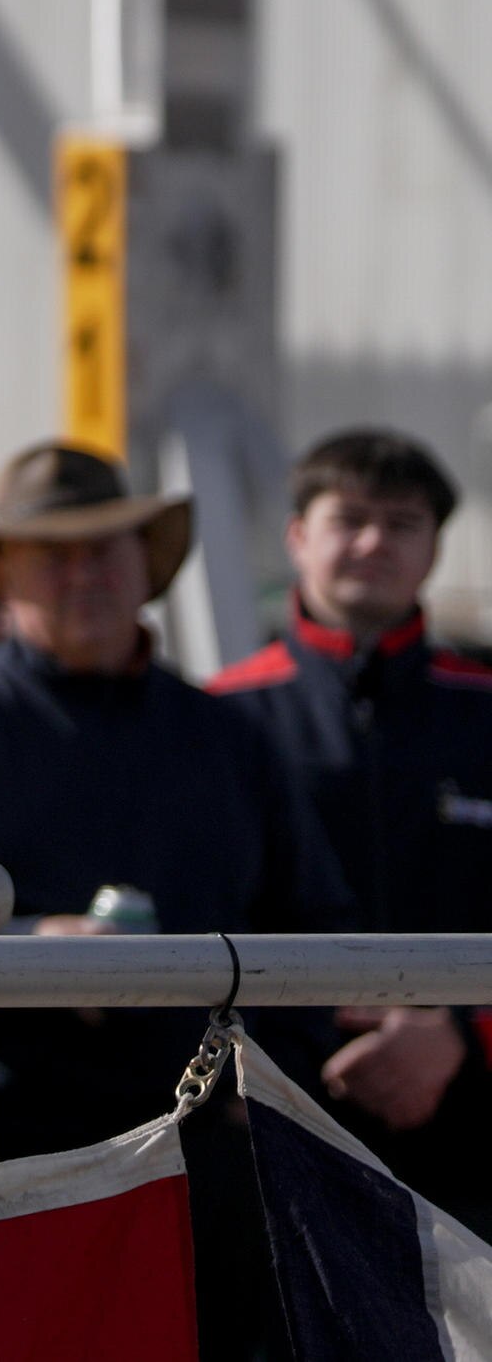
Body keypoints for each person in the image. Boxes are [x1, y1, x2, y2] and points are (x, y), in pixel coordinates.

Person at [0, 439, 351, 1159]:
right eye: (53, 554)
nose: (82, 574)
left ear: (145, 564)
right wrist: (27, 949)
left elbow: (313, 924)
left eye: (102, 550)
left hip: (206, 1150)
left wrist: (279, 1083)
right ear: (4, 573)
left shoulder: (228, 738)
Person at [211, 426, 492, 1223]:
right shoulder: (220, 718)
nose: (373, 541)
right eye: (350, 518)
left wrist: (459, 1037)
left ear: (436, 546)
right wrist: (274, 1052)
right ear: (298, 535)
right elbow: (193, 912)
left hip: (470, 1133)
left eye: (402, 523)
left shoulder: (483, 711)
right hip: (266, 1119)